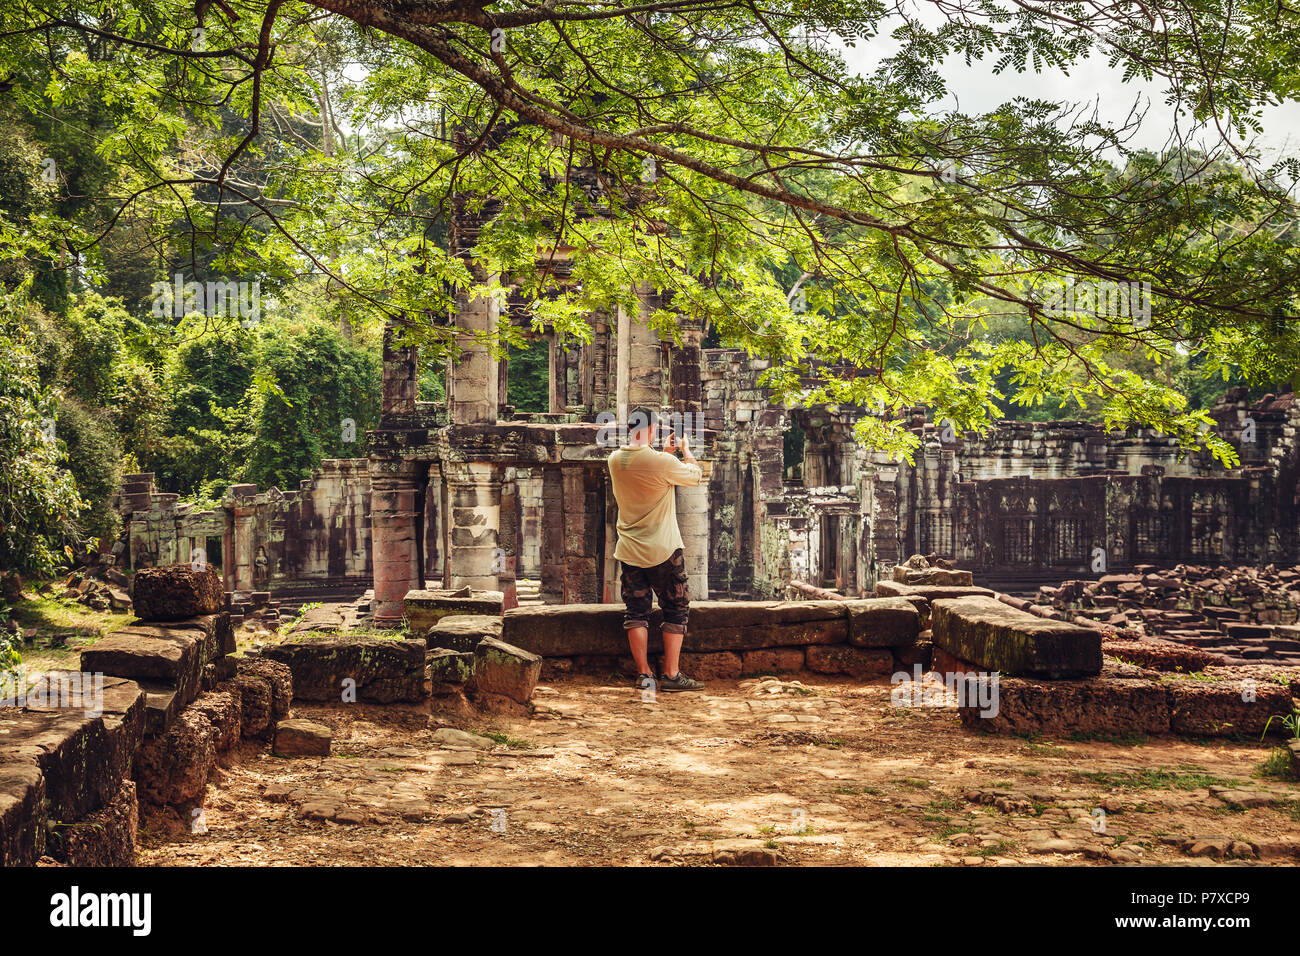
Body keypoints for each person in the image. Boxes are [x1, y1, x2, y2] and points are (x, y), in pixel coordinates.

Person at [606, 406, 705, 692]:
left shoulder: (615, 460)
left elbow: (645, 468)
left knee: (636, 610)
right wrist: (684, 452)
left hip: (630, 549)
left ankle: (644, 674)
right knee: (676, 607)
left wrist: (662, 453)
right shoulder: (661, 462)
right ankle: (672, 675)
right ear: (650, 429)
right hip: (662, 548)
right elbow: (695, 475)